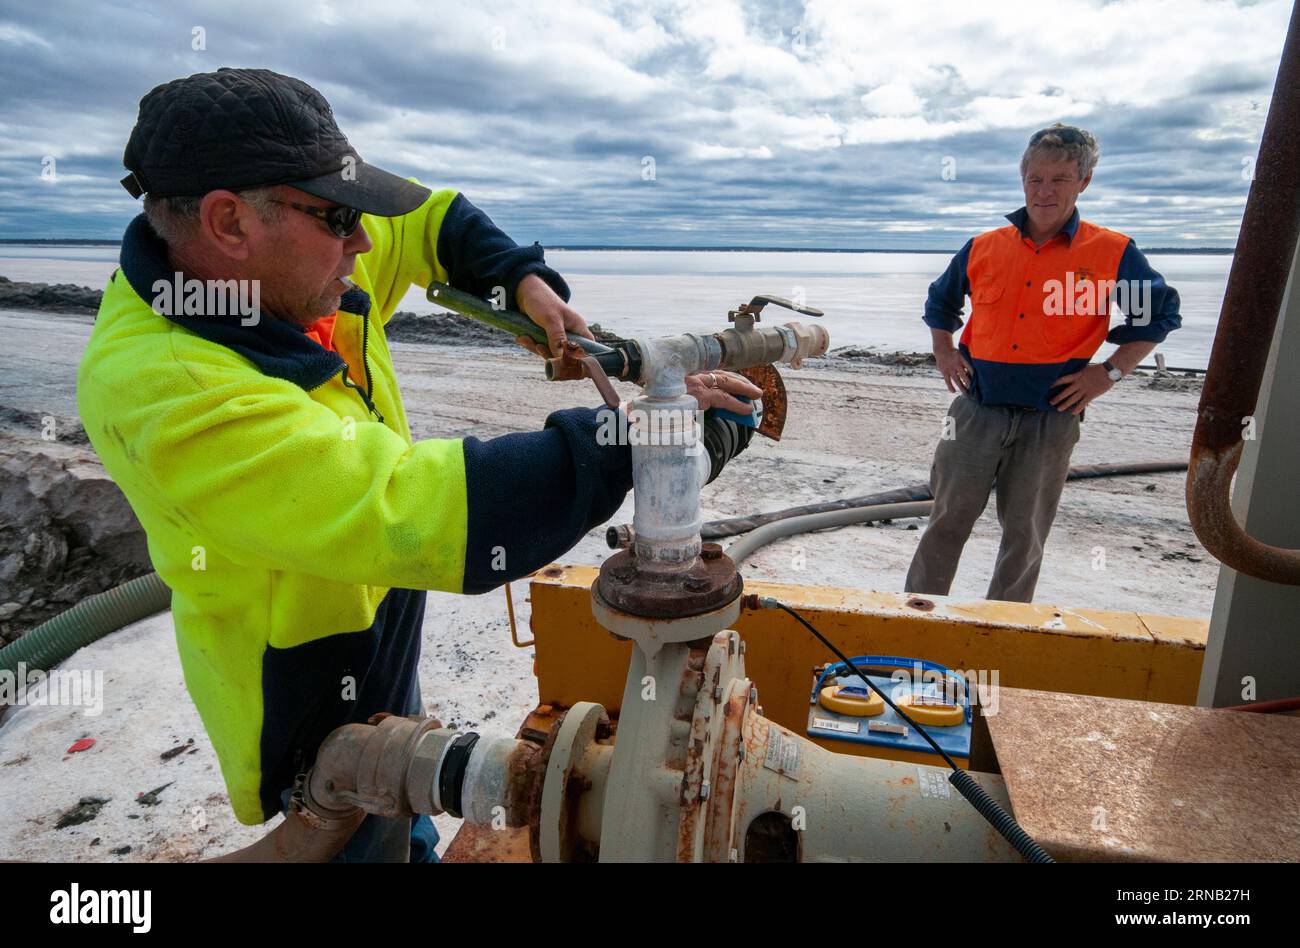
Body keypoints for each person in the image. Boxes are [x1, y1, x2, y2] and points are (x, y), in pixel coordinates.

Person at [77, 68, 759, 861]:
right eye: (339, 218)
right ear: (229, 221)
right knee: (355, 826)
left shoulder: (289, 267)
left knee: (405, 794)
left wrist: (519, 279)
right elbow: (418, 507)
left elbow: (432, 223)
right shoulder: (162, 386)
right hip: (301, 680)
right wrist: (652, 445)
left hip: (380, 611)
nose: (363, 245)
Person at [904, 123, 1181, 604]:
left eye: (1060, 178)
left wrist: (1108, 373)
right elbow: (940, 302)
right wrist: (944, 349)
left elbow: (1159, 316)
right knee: (946, 521)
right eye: (1035, 178)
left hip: (1050, 421)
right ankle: (915, 617)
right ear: (1022, 179)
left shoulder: (1112, 252)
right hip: (975, 413)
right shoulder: (984, 246)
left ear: (1084, 181)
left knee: (1025, 537)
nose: (1044, 190)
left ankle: (1004, 626)